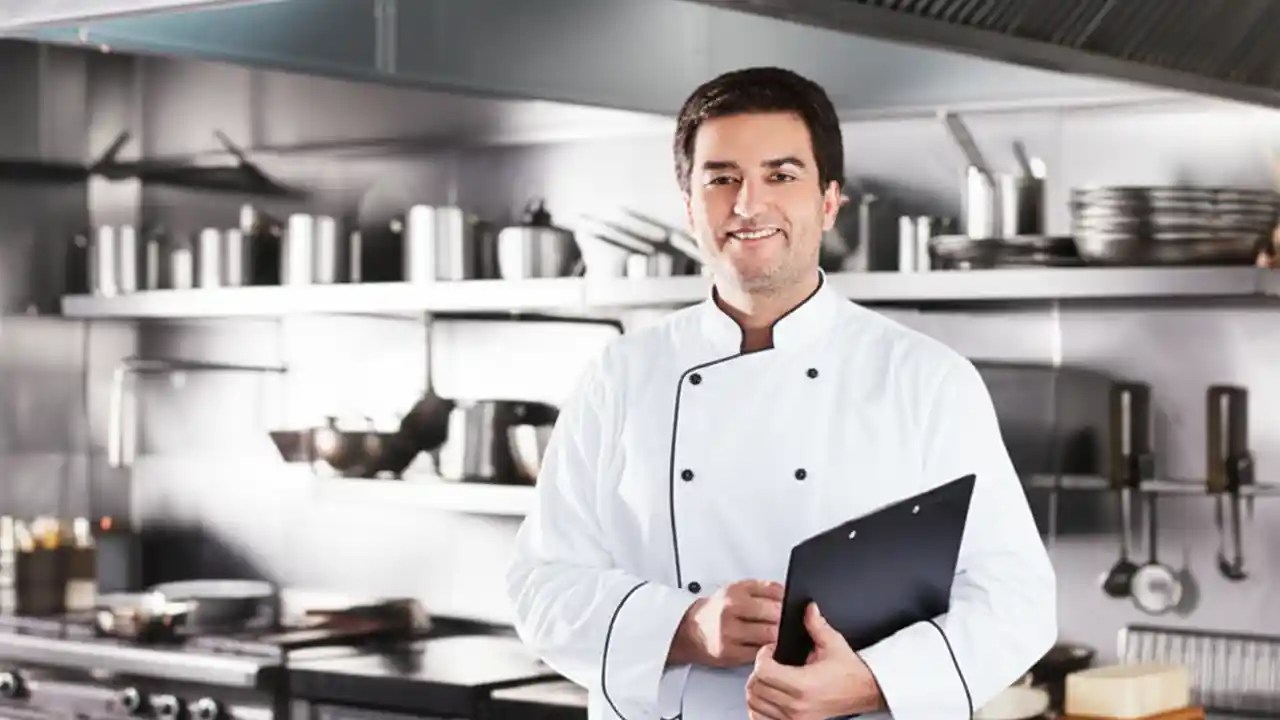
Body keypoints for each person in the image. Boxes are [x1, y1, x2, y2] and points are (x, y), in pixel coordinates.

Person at [506, 66, 1056, 720]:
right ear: (688, 206)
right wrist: (684, 626)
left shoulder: (926, 379)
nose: (747, 204)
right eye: (721, 179)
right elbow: (541, 588)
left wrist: (871, 681)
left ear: (828, 201)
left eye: (781, 175)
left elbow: (1016, 600)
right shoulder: (619, 376)